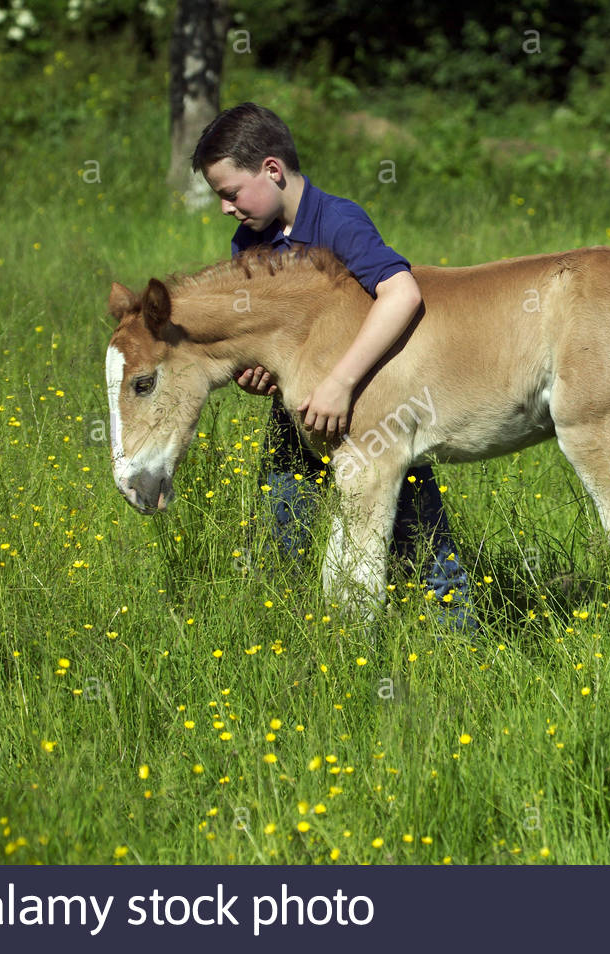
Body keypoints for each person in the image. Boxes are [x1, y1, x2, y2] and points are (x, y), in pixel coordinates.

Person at [191, 102, 472, 630]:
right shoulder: (250, 242)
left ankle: (463, 644)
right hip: (295, 416)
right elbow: (264, 338)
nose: (226, 208)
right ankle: (289, 640)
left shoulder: (338, 221)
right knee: (281, 537)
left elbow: (401, 293)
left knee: (420, 534)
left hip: (373, 410)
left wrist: (340, 383)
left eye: (230, 193)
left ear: (272, 170)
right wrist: (260, 375)